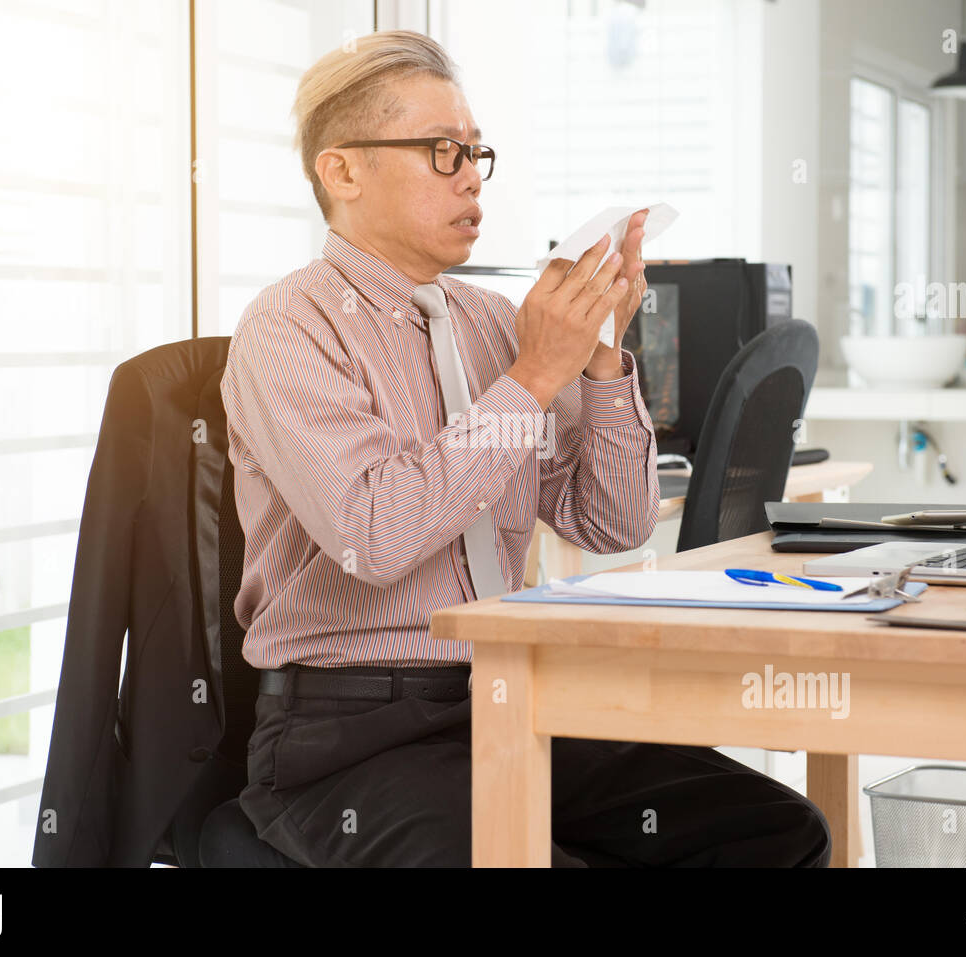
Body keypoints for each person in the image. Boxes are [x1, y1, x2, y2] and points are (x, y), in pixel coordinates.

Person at [219, 29, 830, 867]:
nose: (471, 175)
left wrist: (603, 356)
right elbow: (377, 532)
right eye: (441, 151)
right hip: (352, 734)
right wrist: (537, 373)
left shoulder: (489, 323)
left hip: (509, 697)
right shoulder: (290, 327)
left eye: (475, 151)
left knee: (780, 832)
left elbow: (613, 522)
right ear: (343, 171)